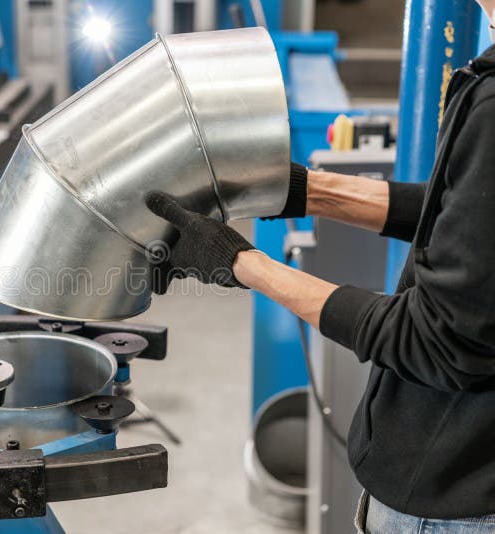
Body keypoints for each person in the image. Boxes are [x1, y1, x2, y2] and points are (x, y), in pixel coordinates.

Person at [145, 2, 495, 532]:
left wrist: (240, 262)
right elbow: (467, 218)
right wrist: (307, 190)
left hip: (453, 501)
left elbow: (439, 340)